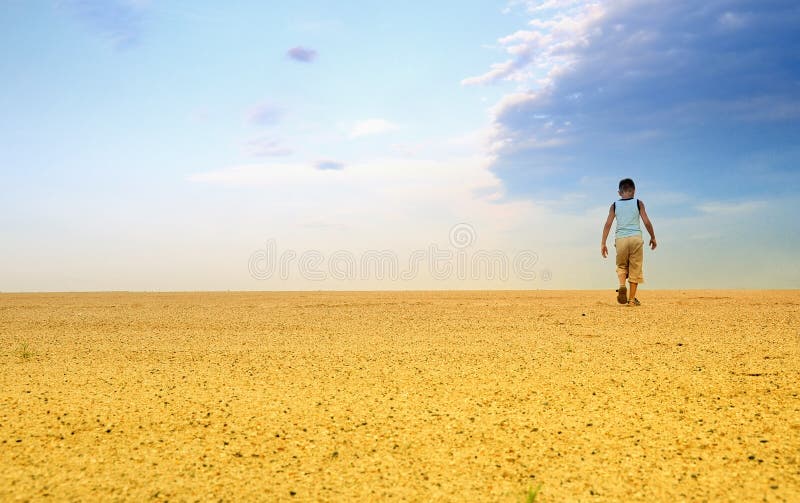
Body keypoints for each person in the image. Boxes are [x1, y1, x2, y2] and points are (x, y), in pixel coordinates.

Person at [600, 178, 657, 306]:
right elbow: (646, 221)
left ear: (619, 193)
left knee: (621, 266)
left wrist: (603, 243)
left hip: (621, 239)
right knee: (635, 268)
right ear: (634, 191)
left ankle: (621, 285)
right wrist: (652, 237)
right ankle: (631, 300)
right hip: (636, 238)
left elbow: (608, 224)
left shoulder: (614, 205)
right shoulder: (639, 203)